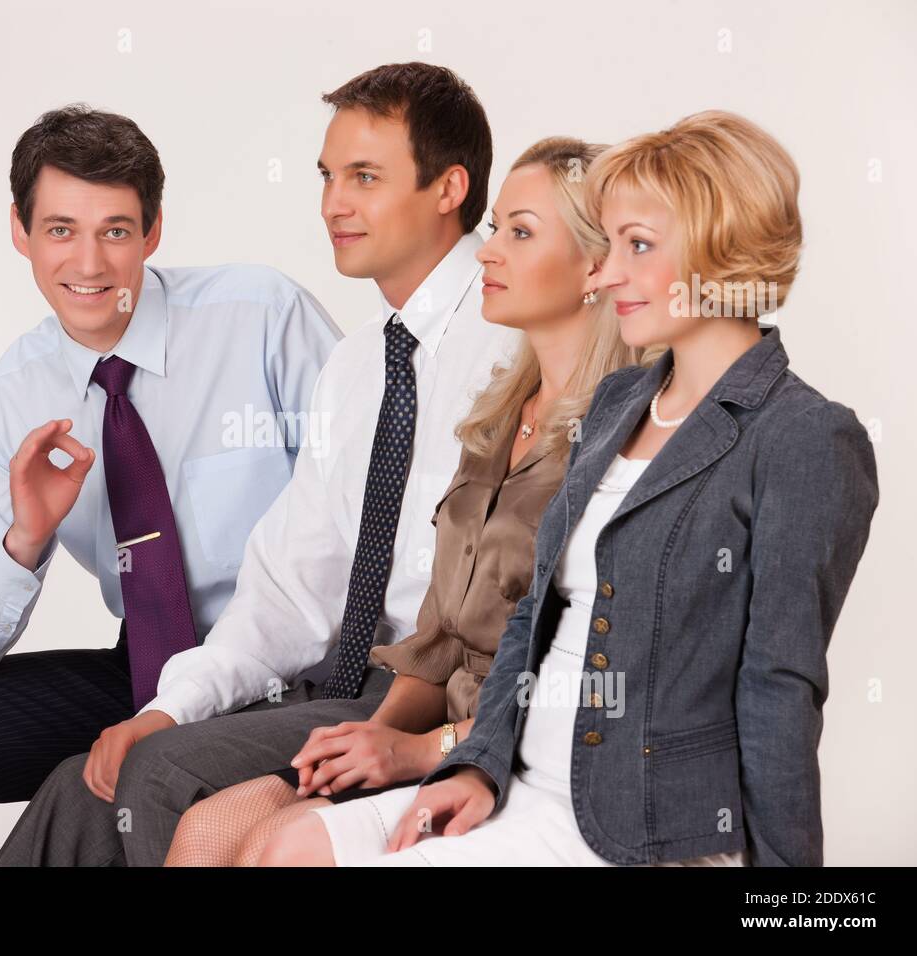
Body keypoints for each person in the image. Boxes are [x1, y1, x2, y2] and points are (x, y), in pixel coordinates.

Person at [258, 109, 879, 867]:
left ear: (723, 253)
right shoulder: (620, 401)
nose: (609, 270)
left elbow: (782, 686)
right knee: (286, 849)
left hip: (642, 825)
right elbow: (534, 619)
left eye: (639, 246)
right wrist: (478, 763)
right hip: (520, 783)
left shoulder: (802, 436)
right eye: (611, 243)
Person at [0, 62, 522, 867]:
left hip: (429, 690)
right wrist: (172, 707)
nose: (332, 204)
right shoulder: (357, 368)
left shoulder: (515, 340)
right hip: (339, 679)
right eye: (327, 176)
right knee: (80, 787)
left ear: (449, 188)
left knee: (158, 776)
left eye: (365, 177)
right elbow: (288, 581)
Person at [0, 104, 341, 866]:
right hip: (147, 668)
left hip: (293, 666)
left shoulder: (260, 316)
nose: (90, 265)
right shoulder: (4, 403)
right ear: (20, 231)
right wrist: (25, 539)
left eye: (115, 231)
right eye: (60, 230)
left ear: (154, 231)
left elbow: (365, 500)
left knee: (95, 784)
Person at [164, 136, 649, 865]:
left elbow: (583, 669)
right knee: (205, 831)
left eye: (520, 233)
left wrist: (420, 750)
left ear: (593, 266)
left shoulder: (620, 441)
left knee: (277, 841)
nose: (487, 253)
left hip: (521, 750)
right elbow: (441, 635)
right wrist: (378, 737)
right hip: (433, 722)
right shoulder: (496, 415)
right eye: (495, 232)